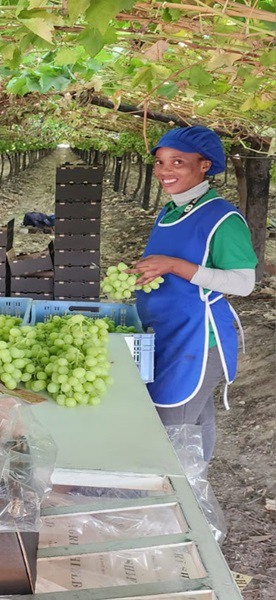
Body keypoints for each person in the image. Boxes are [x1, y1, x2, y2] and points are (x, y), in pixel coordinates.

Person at [133, 126, 256, 461]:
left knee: (172, 428)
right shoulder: (170, 211)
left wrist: (172, 266)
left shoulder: (222, 218)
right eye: (159, 163)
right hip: (166, 332)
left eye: (177, 162)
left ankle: (181, 504)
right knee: (193, 423)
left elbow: (244, 283)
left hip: (196, 341)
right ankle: (196, 497)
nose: (164, 171)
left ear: (204, 165)